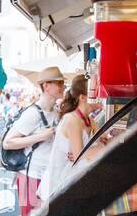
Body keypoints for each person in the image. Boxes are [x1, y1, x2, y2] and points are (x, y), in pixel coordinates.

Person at [3, 66, 67, 216]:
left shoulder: (56, 111)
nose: (63, 86)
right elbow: (8, 142)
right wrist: (40, 136)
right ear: (46, 86)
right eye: (59, 83)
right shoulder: (33, 113)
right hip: (31, 177)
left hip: (48, 177)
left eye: (62, 83)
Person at [37, 73, 108, 202]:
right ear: (82, 97)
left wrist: (101, 146)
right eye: (94, 93)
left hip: (74, 183)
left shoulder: (88, 120)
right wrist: (101, 147)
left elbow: (105, 141)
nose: (99, 96)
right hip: (58, 187)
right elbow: (79, 155)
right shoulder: (72, 119)